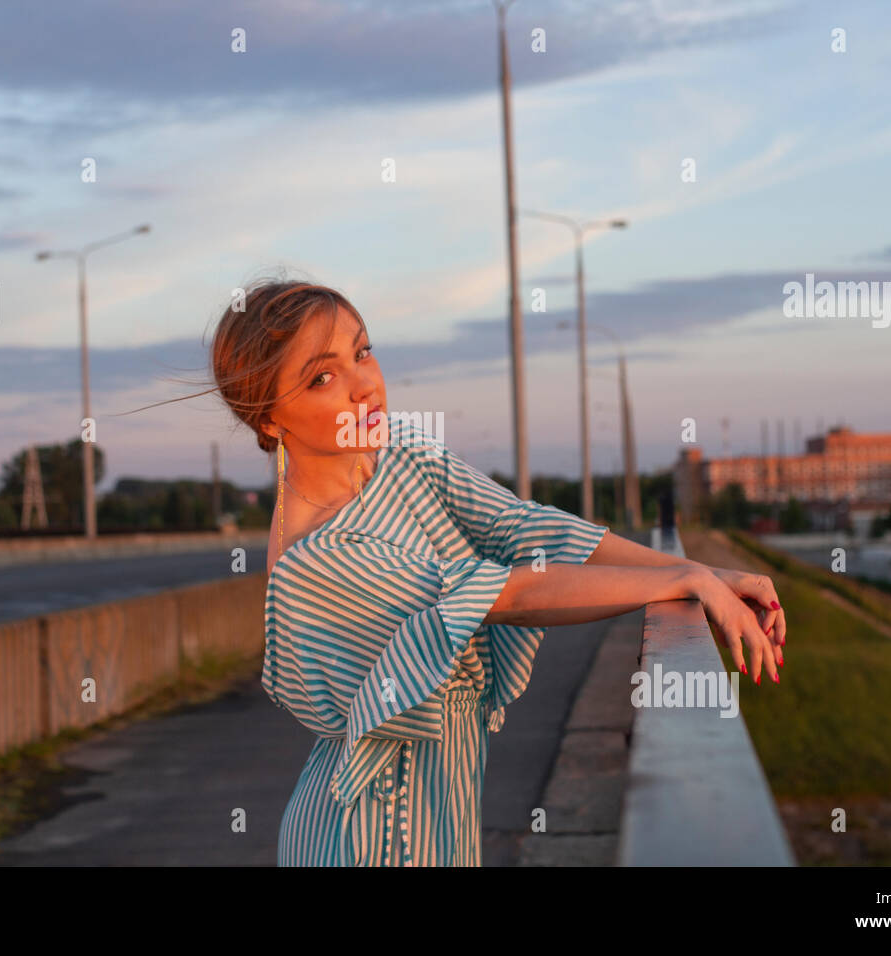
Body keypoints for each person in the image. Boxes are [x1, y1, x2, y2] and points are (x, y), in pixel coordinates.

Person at [207, 276, 787, 866]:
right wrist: (682, 583)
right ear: (271, 420)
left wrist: (701, 570)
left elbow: (526, 530)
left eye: (362, 352)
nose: (364, 386)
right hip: (374, 842)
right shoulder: (316, 558)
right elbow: (510, 594)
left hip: (447, 821)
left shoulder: (402, 453)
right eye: (322, 377)